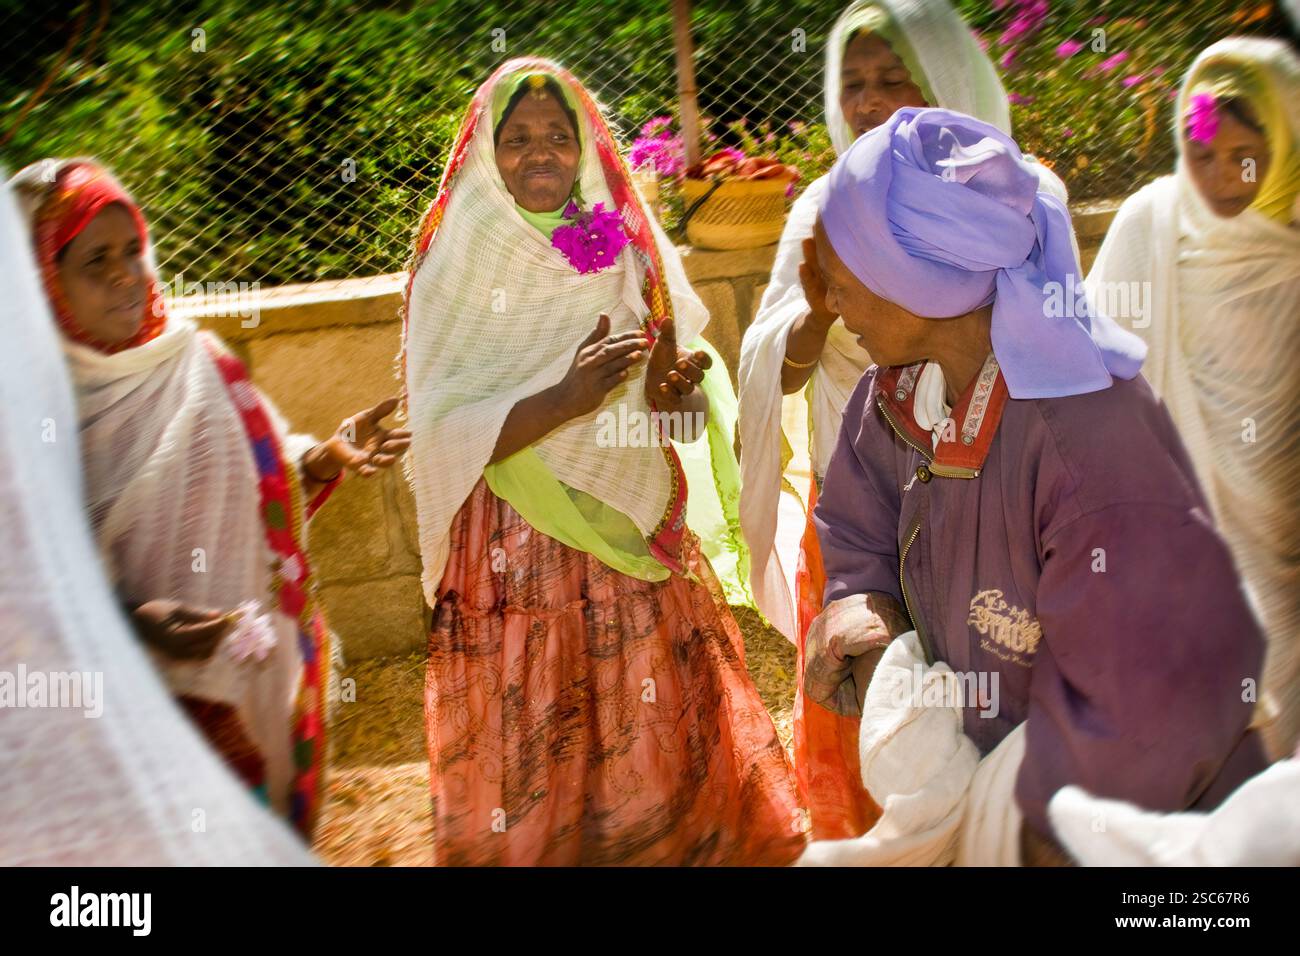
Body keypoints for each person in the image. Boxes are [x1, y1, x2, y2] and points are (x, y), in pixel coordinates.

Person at [802, 107, 1266, 865]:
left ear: (916, 277)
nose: (828, 297)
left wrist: (1029, 823)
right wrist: (874, 634)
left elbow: (1154, 706)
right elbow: (856, 530)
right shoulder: (891, 398)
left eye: (842, 267)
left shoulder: (1089, 437)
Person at [400, 58, 805, 865]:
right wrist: (564, 400)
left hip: (622, 509)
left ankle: (662, 842)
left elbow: (670, 397)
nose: (539, 152)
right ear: (485, 150)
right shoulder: (457, 257)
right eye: (517, 138)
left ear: (586, 147)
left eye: (559, 134)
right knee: (537, 699)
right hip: (512, 536)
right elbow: (440, 426)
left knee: (638, 698)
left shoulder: (622, 243)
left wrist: (670, 386)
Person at [738, 0, 1068, 842]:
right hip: (863, 521)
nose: (871, 102)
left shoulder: (1024, 196)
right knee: (876, 706)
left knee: (988, 707)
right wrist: (817, 314)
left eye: (895, 79)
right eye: (854, 84)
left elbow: (1059, 354)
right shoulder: (824, 207)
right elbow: (779, 363)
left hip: (993, 514)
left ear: (948, 81)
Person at [11, 158, 410, 838]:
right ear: (42, 280)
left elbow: (260, 471)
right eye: (93, 260)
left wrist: (323, 455)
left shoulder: (197, 364)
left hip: (231, 673)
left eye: (132, 251)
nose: (123, 275)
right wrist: (134, 619)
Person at [1086, 38, 1300, 760]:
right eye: (1201, 155)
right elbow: (1091, 379)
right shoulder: (1151, 226)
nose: (1223, 178)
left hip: (1284, 541)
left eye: (1246, 155)